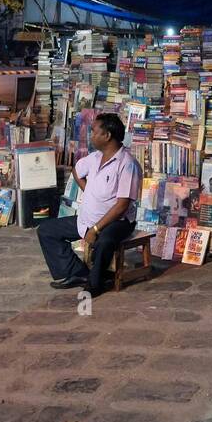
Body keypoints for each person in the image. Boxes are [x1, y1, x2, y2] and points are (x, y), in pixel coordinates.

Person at [36, 113, 141, 295]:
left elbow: (122, 206)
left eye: (94, 132)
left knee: (105, 240)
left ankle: (96, 282)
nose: (91, 136)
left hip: (116, 222)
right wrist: (88, 189)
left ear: (107, 135)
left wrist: (95, 230)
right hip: (87, 219)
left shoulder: (127, 164)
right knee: (47, 230)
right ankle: (77, 272)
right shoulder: (94, 158)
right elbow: (77, 171)